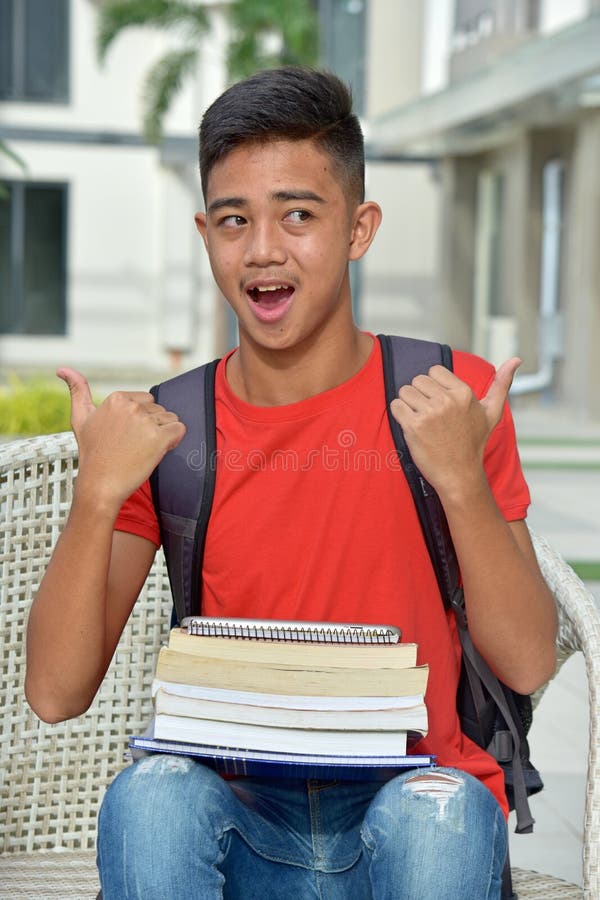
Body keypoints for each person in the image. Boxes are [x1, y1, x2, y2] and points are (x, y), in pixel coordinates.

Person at [25, 67, 558, 900]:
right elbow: (55, 695)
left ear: (359, 227)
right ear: (206, 234)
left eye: (298, 215)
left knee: (434, 815)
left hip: (413, 809)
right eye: (234, 220)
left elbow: (526, 662)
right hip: (236, 823)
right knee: (150, 800)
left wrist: (460, 480)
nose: (264, 249)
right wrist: (97, 493)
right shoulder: (173, 429)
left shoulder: (451, 395)